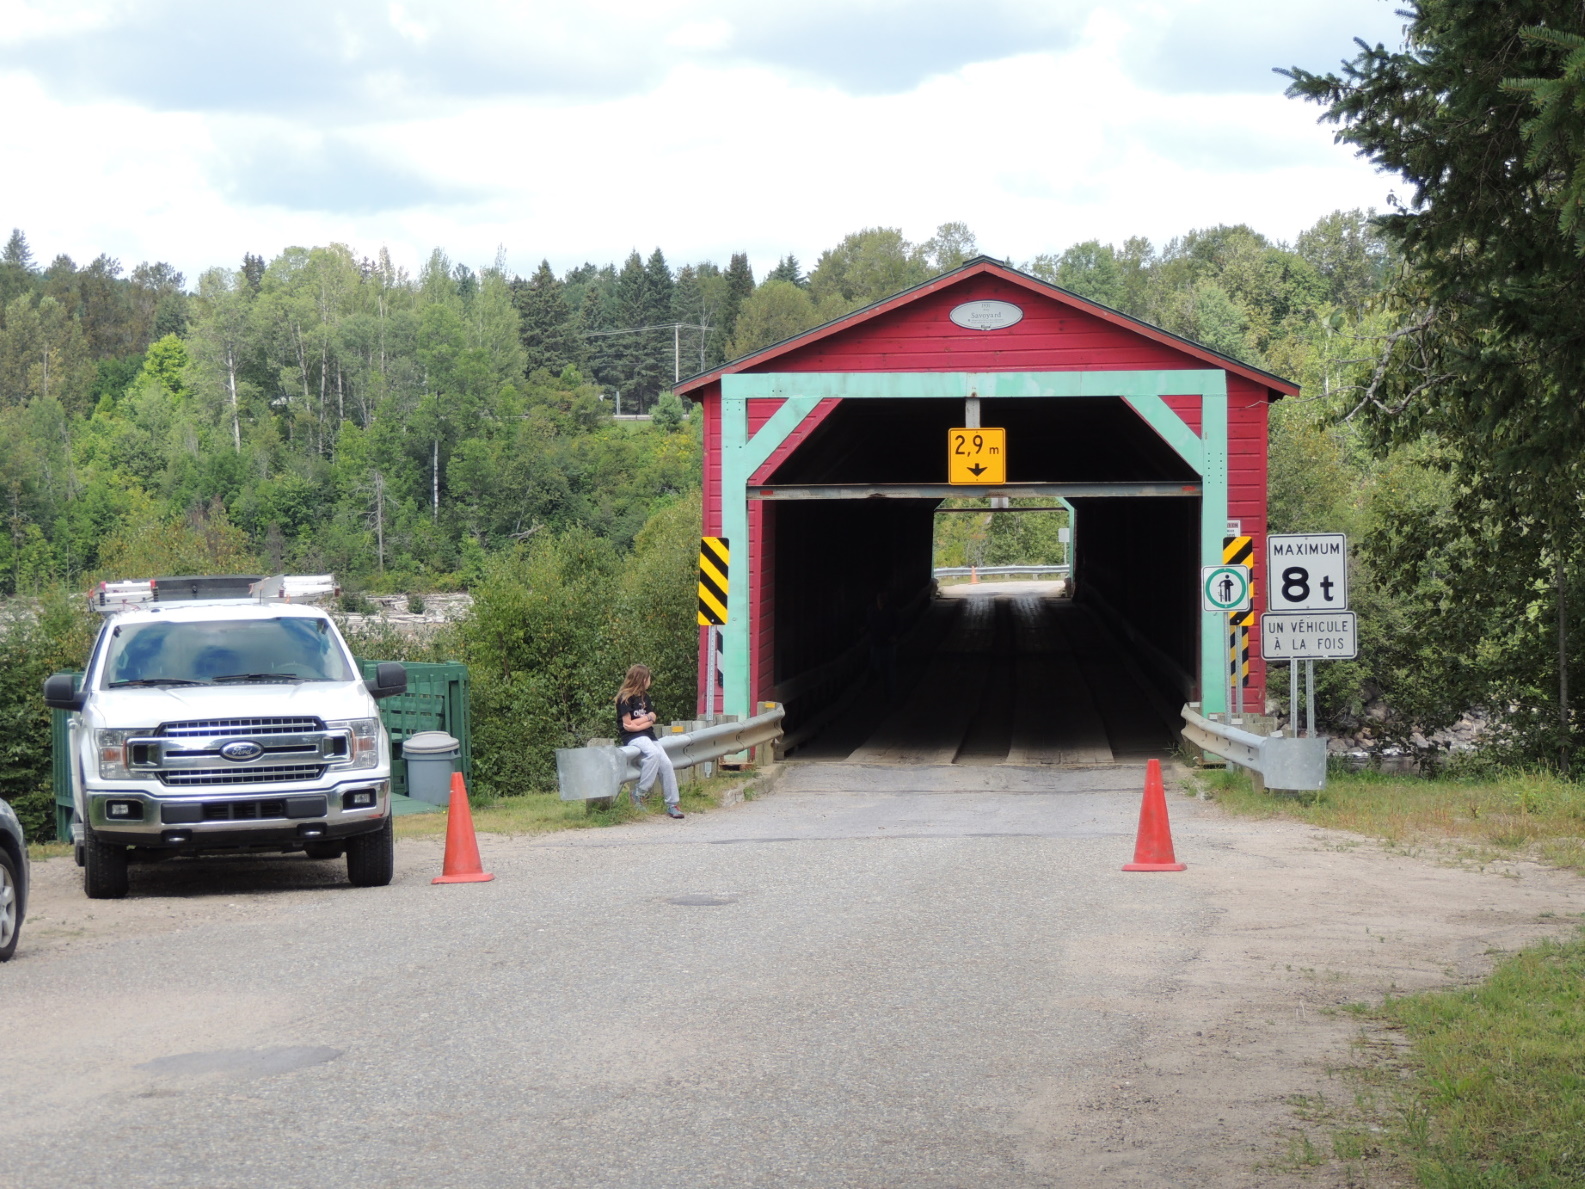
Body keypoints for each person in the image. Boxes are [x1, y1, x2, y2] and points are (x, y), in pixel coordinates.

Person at [615, 663, 684, 819]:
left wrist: (641, 721)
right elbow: (628, 726)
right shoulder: (625, 698)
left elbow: (650, 719)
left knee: (666, 764)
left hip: (649, 735)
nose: (650, 680)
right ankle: (639, 793)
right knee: (652, 754)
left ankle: (672, 804)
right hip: (633, 737)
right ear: (642, 679)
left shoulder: (645, 697)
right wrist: (646, 719)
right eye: (648, 677)